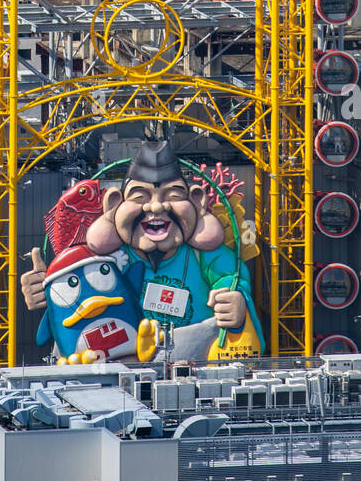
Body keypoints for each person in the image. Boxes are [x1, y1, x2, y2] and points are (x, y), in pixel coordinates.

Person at [21, 140, 264, 354]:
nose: (156, 207)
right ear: (114, 204)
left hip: (194, 365)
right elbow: (74, 304)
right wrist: (49, 292)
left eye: (173, 195)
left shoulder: (207, 256)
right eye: (140, 197)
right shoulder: (105, 260)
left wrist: (237, 303)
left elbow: (231, 281)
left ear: (197, 200)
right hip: (118, 363)